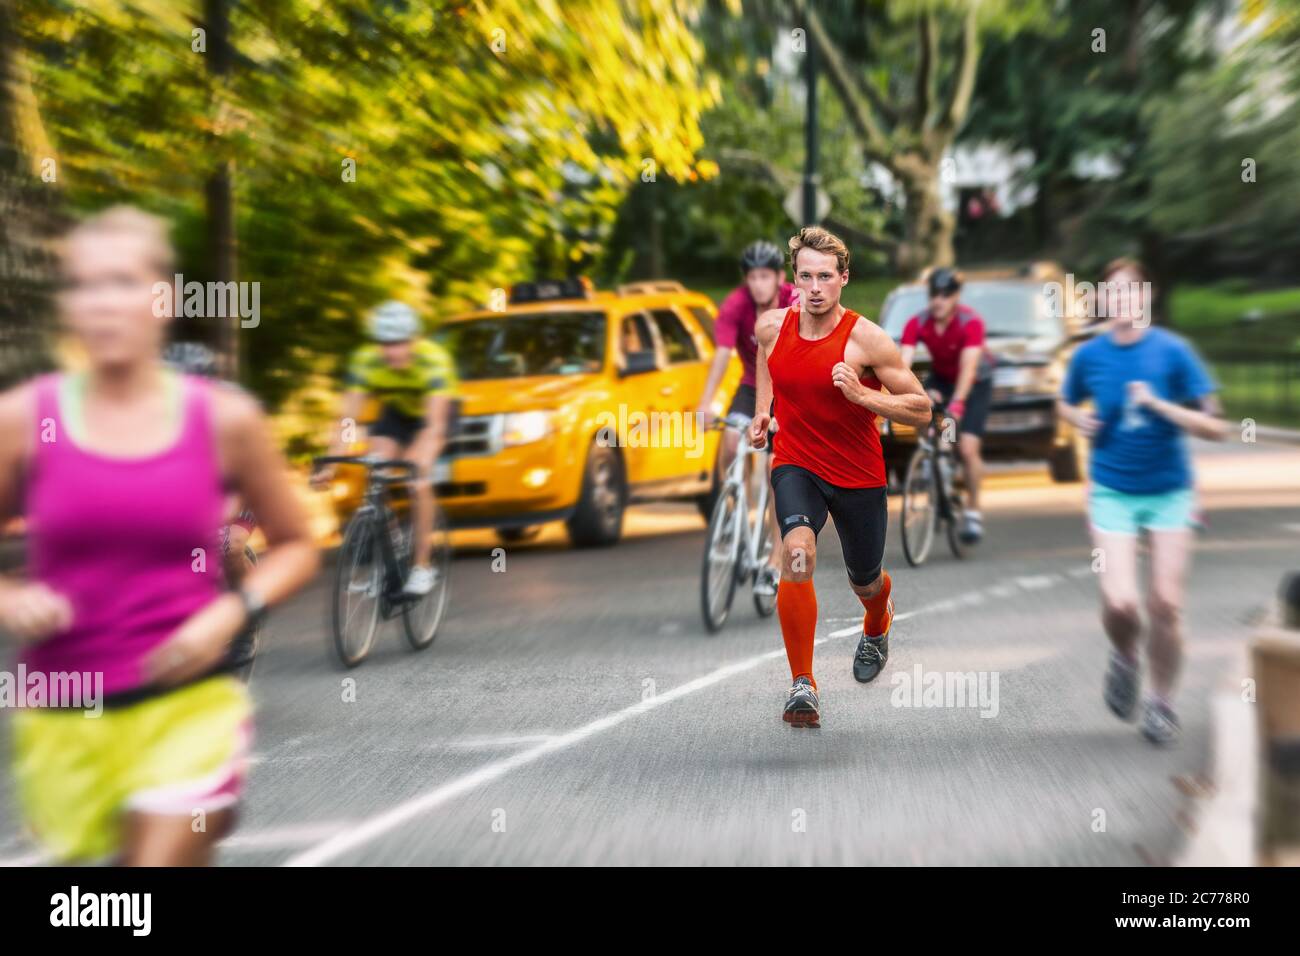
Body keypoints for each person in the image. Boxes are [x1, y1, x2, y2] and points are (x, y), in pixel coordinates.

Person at [0, 206, 319, 864]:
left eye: (122, 282)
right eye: (84, 286)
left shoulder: (224, 420)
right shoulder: (25, 420)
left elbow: (297, 542)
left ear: (162, 298)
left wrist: (234, 610)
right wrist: (10, 600)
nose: (102, 305)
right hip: (68, 715)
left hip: (188, 704)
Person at [750, 227, 931, 728]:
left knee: (865, 580)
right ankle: (802, 683)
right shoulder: (772, 326)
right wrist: (763, 410)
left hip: (857, 474)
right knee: (797, 554)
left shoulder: (866, 339)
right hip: (796, 462)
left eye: (825, 277)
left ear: (843, 279)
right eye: (805, 275)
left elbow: (922, 409)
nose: (814, 287)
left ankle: (877, 622)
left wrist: (865, 397)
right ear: (794, 279)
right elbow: (766, 359)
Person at [1057, 258, 1227, 745]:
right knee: (1122, 603)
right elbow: (1067, 403)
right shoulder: (1090, 357)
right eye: (1115, 294)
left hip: (1171, 491)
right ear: (1104, 302)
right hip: (1112, 490)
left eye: (1133, 292)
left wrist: (1161, 405)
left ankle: (1162, 704)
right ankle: (1126, 655)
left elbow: (1214, 425)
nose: (1124, 302)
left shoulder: (1174, 352)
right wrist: (1078, 420)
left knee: (1167, 604)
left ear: (1146, 297)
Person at [316, 301, 457, 596]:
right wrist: (331, 464)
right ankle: (388, 563)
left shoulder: (433, 361)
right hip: (396, 413)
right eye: (385, 344)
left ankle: (421, 568)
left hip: (433, 416)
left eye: (400, 343)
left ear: (414, 340)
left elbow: (433, 428)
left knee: (416, 479)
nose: (392, 351)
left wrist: (417, 459)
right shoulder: (366, 361)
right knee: (376, 468)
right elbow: (348, 419)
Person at [696, 241, 799, 596]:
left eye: (765, 276)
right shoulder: (736, 305)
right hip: (751, 387)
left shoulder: (794, 299)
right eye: (752, 277)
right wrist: (706, 401)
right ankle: (734, 507)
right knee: (728, 441)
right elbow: (723, 354)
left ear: (778, 278)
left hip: (786, 390)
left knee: (775, 471)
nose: (758, 284)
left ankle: (772, 561)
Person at [899, 267, 994, 543]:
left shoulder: (970, 322)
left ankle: (974, 511)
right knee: (923, 412)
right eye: (934, 295)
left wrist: (957, 405)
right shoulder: (916, 323)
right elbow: (902, 366)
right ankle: (932, 458)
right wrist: (911, 394)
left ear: (956, 297)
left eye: (945, 295)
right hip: (942, 378)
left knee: (966, 446)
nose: (938, 301)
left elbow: (969, 368)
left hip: (974, 383)